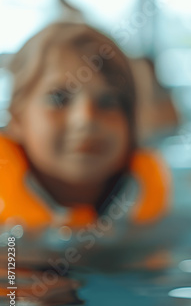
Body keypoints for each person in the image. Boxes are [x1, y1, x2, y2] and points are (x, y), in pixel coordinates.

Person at [0, 23, 170, 239]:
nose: (86, 119)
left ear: (131, 123)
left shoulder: (143, 198)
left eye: (108, 101)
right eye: (59, 98)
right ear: (16, 119)